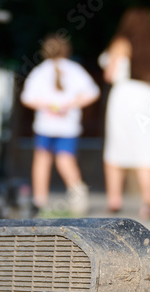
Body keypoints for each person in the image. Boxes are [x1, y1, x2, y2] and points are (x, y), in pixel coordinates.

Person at [101, 9, 150, 219]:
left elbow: (110, 75)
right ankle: (148, 199)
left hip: (125, 96)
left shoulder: (122, 43)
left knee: (117, 146)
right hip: (149, 96)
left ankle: (114, 200)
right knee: (146, 147)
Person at [20, 35, 100, 216]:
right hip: (67, 126)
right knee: (66, 160)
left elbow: (27, 98)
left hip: (45, 126)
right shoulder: (75, 70)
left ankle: (39, 201)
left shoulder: (40, 71)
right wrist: (72, 104)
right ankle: (78, 199)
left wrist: (46, 105)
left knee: (42, 160)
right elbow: (93, 92)